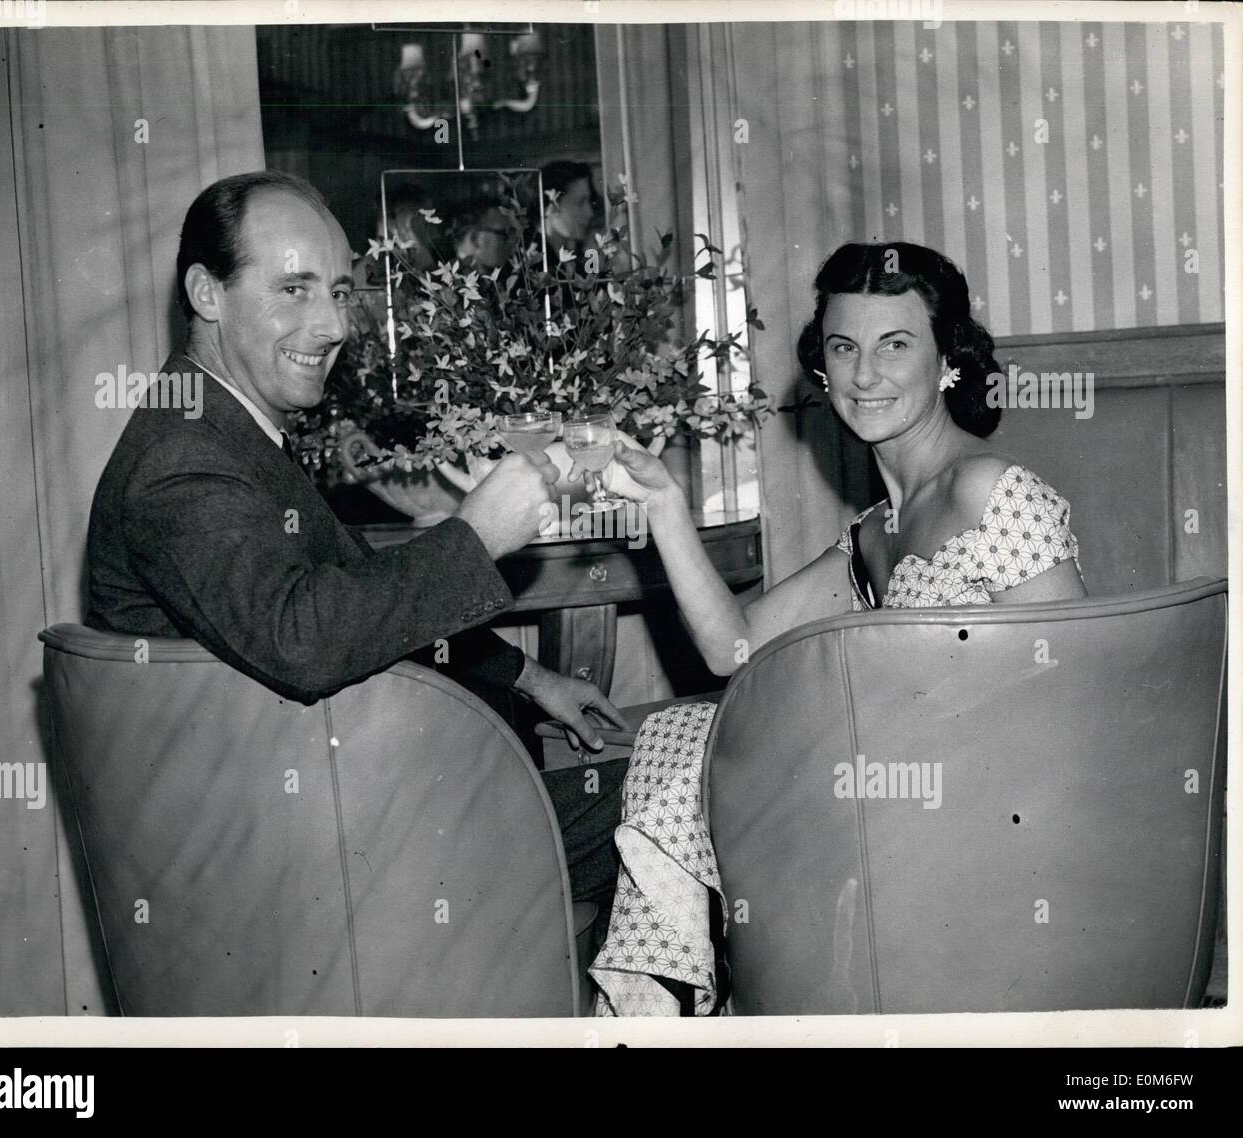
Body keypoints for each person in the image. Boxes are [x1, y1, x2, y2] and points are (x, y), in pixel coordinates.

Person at [85, 170, 629, 907]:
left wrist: (528, 678)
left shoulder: (224, 429)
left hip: (336, 812)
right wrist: (476, 534)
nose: (335, 326)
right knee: (683, 796)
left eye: (339, 293)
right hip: (314, 856)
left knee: (659, 786)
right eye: (294, 290)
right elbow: (302, 636)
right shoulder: (183, 460)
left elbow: (346, 584)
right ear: (207, 293)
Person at [587, 241, 1087, 1014]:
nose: (862, 375)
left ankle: (678, 1010)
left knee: (701, 752)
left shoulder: (993, 491)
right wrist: (662, 506)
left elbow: (1085, 693)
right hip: (898, 816)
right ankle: (678, 1010)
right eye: (843, 348)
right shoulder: (876, 530)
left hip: (991, 828)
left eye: (895, 345)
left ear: (948, 358)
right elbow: (733, 647)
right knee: (678, 734)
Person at [540, 159, 596, 259]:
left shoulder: (576, 254)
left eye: (589, 201)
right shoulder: (530, 262)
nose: (590, 213)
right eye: (580, 203)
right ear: (552, 209)